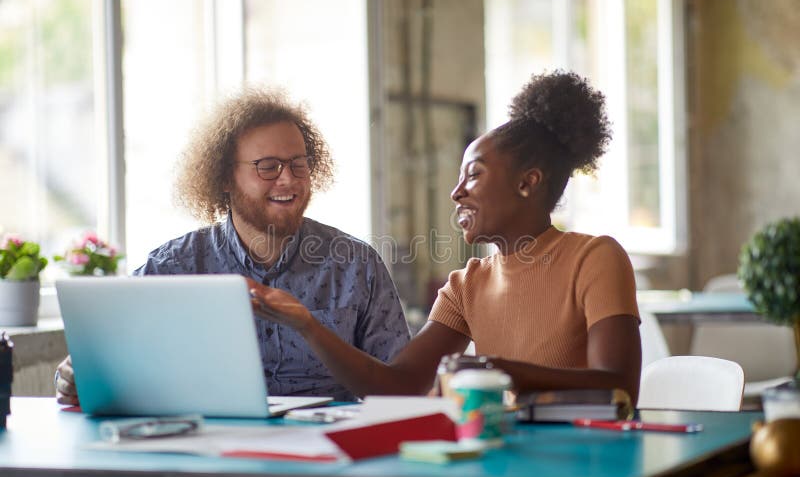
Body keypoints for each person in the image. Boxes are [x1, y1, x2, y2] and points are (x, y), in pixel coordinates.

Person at [247, 71, 642, 403]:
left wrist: (498, 371)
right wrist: (307, 326)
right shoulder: (467, 285)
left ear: (527, 182)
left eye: (473, 174)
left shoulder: (595, 258)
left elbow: (618, 386)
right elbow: (397, 385)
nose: (457, 193)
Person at [55, 88, 410, 404]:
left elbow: (401, 388)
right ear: (225, 177)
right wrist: (74, 377)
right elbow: (92, 363)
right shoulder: (172, 268)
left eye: (298, 164)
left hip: (332, 456)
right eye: (267, 167)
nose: (287, 179)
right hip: (211, 455)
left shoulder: (357, 264)